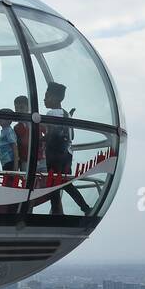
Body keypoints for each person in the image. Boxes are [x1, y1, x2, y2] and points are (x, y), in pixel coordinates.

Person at [39, 82, 90, 215]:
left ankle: (56, 214)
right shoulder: (66, 114)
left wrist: (39, 140)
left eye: (47, 96)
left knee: (53, 185)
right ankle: (85, 207)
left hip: (54, 155)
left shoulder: (50, 113)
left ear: (55, 98)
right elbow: (71, 135)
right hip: (67, 155)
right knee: (66, 183)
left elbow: (51, 134)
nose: (44, 99)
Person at [0, 108, 18, 177]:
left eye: (1, 117)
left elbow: (14, 148)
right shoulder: (4, 131)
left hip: (10, 161)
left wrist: (15, 166)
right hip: (5, 161)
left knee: (9, 181)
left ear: (9, 120)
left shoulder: (8, 131)